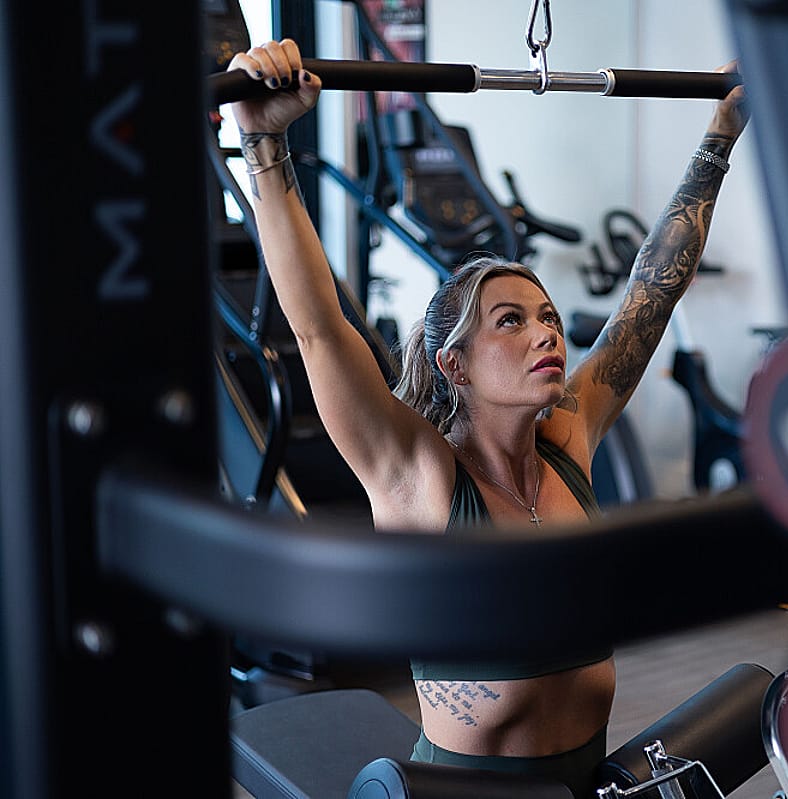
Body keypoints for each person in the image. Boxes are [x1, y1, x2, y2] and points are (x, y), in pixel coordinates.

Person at [227, 38, 748, 798]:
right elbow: (318, 328)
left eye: (547, 317)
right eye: (510, 321)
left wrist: (721, 133)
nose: (546, 332)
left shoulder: (569, 439)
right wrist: (263, 140)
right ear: (455, 364)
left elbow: (652, 291)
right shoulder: (419, 476)